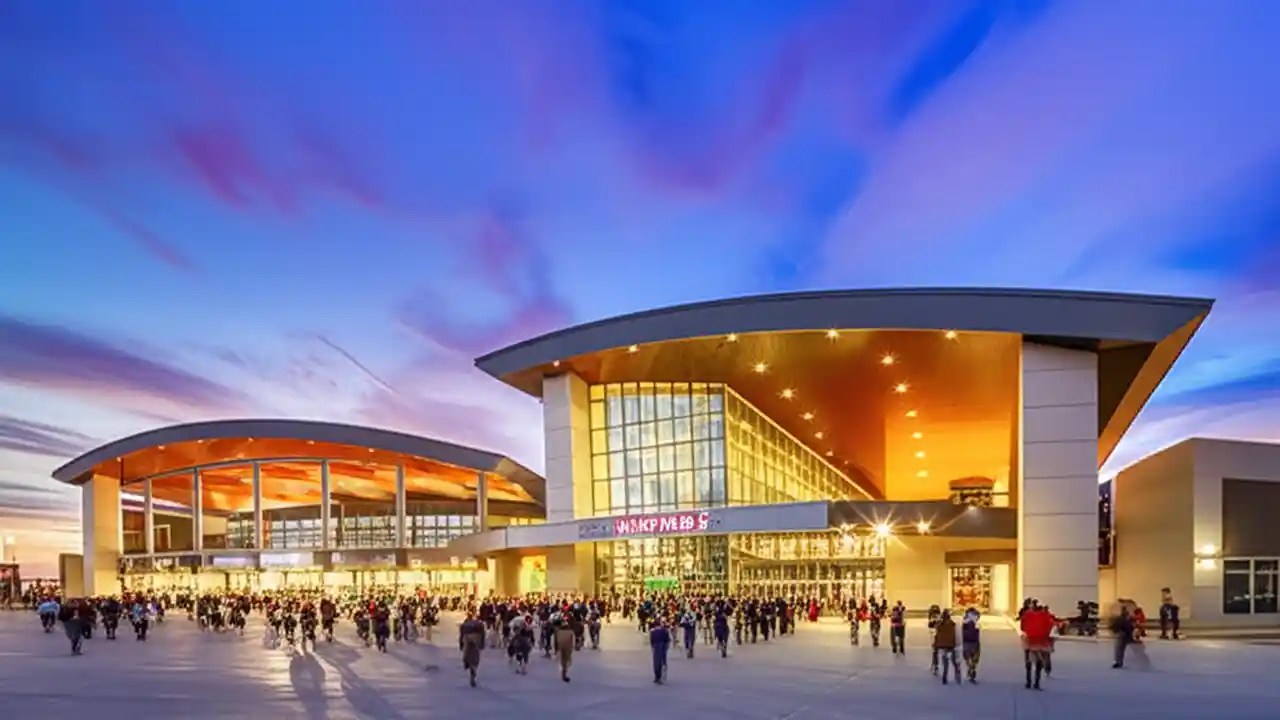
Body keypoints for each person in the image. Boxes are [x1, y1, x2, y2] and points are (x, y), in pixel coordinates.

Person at [1019, 599, 1054, 690]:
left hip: (1029, 639)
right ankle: (1037, 683)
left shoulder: (1027, 614)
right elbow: (1049, 626)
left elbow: (1022, 627)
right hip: (1041, 641)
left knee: (1028, 661)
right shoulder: (1045, 615)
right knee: (1039, 662)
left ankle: (1028, 681)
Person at [933, 609, 960, 685]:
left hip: (942, 646)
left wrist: (936, 645)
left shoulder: (939, 625)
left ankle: (945, 677)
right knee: (954, 662)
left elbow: (936, 633)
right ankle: (957, 675)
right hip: (951, 646)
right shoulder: (952, 624)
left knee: (945, 663)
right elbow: (956, 635)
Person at [459, 612, 485, 687]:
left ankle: (468, 663)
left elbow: (461, 635)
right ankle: (473, 670)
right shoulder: (479, 624)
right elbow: (482, 633)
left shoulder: (464, 624)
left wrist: (461, 643)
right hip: (477, 638)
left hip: (467, 638)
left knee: (467, 654)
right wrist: (482, 643)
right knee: (475, 657)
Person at [961, 608, 981, 684]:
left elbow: (962, 630)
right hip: (975, 641)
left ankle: (970, 668)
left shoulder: (965, 621)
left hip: (966, 642)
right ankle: (972, 667)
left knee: (966, 657)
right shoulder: (976, 621)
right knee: (975, 657)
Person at [555, 612, 576, 682]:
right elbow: (573, 640)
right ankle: (564, 672)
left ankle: (563, 672)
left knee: (563, 660)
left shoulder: (559, 631)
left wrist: (556, 648)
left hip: (561, 646)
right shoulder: (570, 631)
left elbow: (556, 640)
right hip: (568, 647)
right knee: (567, 660)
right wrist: (573, 647)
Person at [649, 619, 671, 684]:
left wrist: (652, 647)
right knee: (662, 661)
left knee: (656, 662)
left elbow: (652, 640)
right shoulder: (664, 630)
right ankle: (661, 676)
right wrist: (667, 647)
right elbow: (667, 640)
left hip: (656, 646)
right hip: (663, 646)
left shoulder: (653, 631)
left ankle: (657, 676)